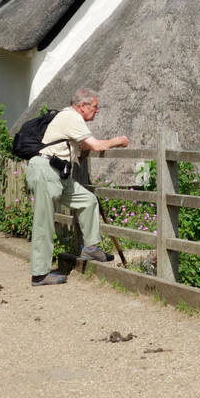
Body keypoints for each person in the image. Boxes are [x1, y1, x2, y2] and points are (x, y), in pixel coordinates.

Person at [25, 89, 129, 286]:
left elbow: (85, 145)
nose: (97, 111)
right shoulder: (72, 118)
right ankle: (39, 274)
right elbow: (96, 146)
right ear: (83, 106)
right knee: (44, 222)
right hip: (46, 172)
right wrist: (119, 141)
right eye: (95, 107)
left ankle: (90, 248)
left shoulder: (69, 118)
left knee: (88, 201)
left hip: (57, 174)